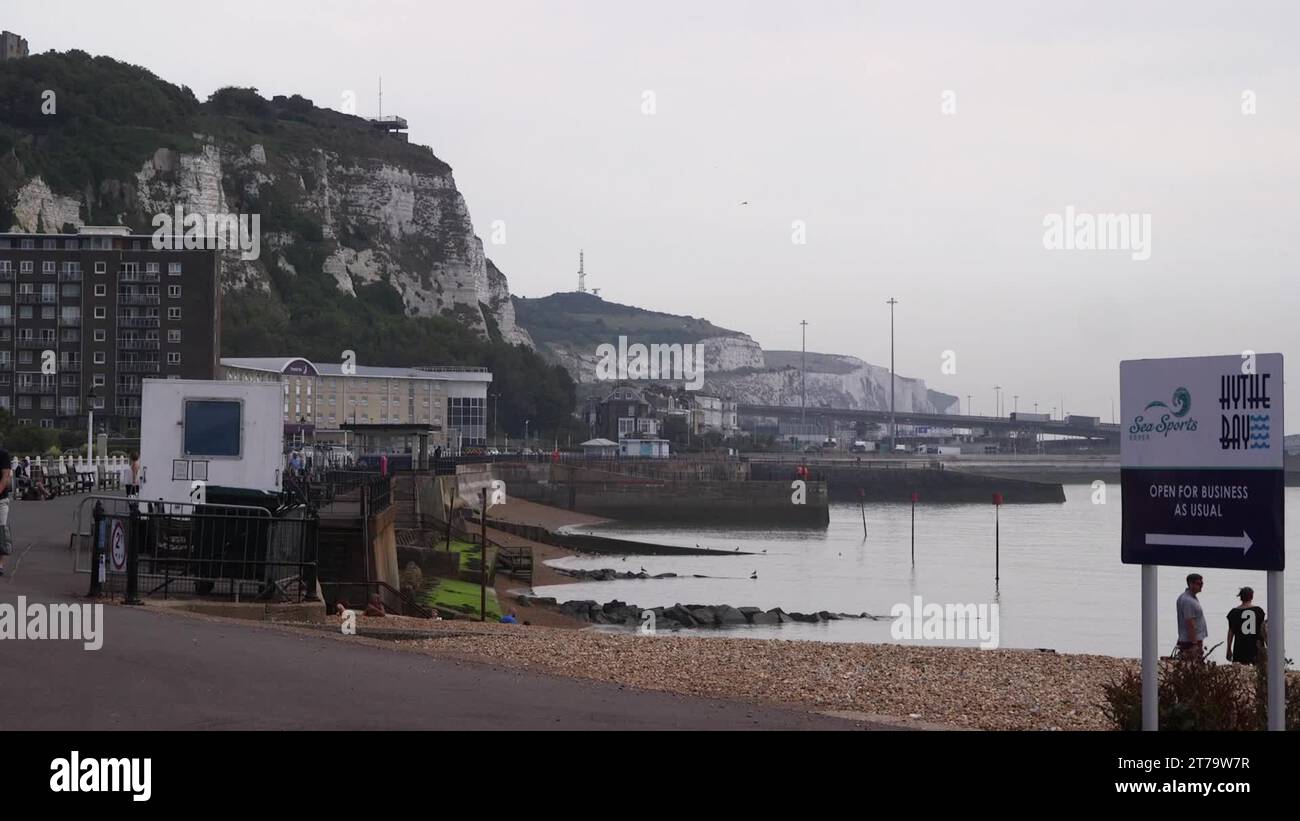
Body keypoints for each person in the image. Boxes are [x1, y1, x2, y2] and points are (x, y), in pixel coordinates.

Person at [1226, 587, 1267, 666]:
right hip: (1256, 646)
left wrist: (1228, 649)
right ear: (1252, 596)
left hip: (1240, 647)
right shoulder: (1258, 611)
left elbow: (1231, 632)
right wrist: (1268, 644)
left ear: (1240, 598)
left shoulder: (1234, 612)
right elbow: (1263, 630)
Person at [1176, 573, 1208, 661]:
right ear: (1191, 584)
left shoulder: (1190, 598)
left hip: (1190, 640)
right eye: (1199, 584)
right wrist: (1194, 644)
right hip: (1190, 642)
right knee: (1192, 666)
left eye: (1202, 584)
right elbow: (1190, 623)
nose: (1201, 586)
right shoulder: (1188, 601)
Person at [0, 444, 11, 576]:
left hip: (0, 500)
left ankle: (0, 563)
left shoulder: (3, 454)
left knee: (1, 532)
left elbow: (5, 476)